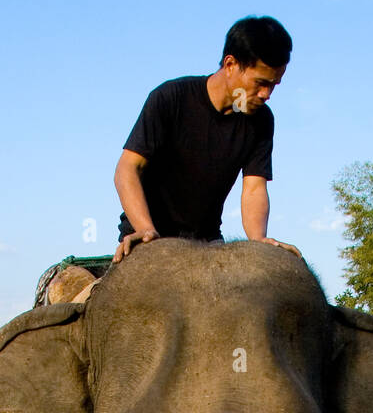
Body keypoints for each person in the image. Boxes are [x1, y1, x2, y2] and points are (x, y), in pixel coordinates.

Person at [112, 15, 301, 263]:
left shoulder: (261, 121)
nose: (267, 94)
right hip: (149, 236)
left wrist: (258, 241)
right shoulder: (171, 98)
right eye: (261, 83)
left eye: (274, 84)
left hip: (207, 243)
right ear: (231, 64)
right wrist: (145, 230)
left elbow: (254, 188)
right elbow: (127, 168)